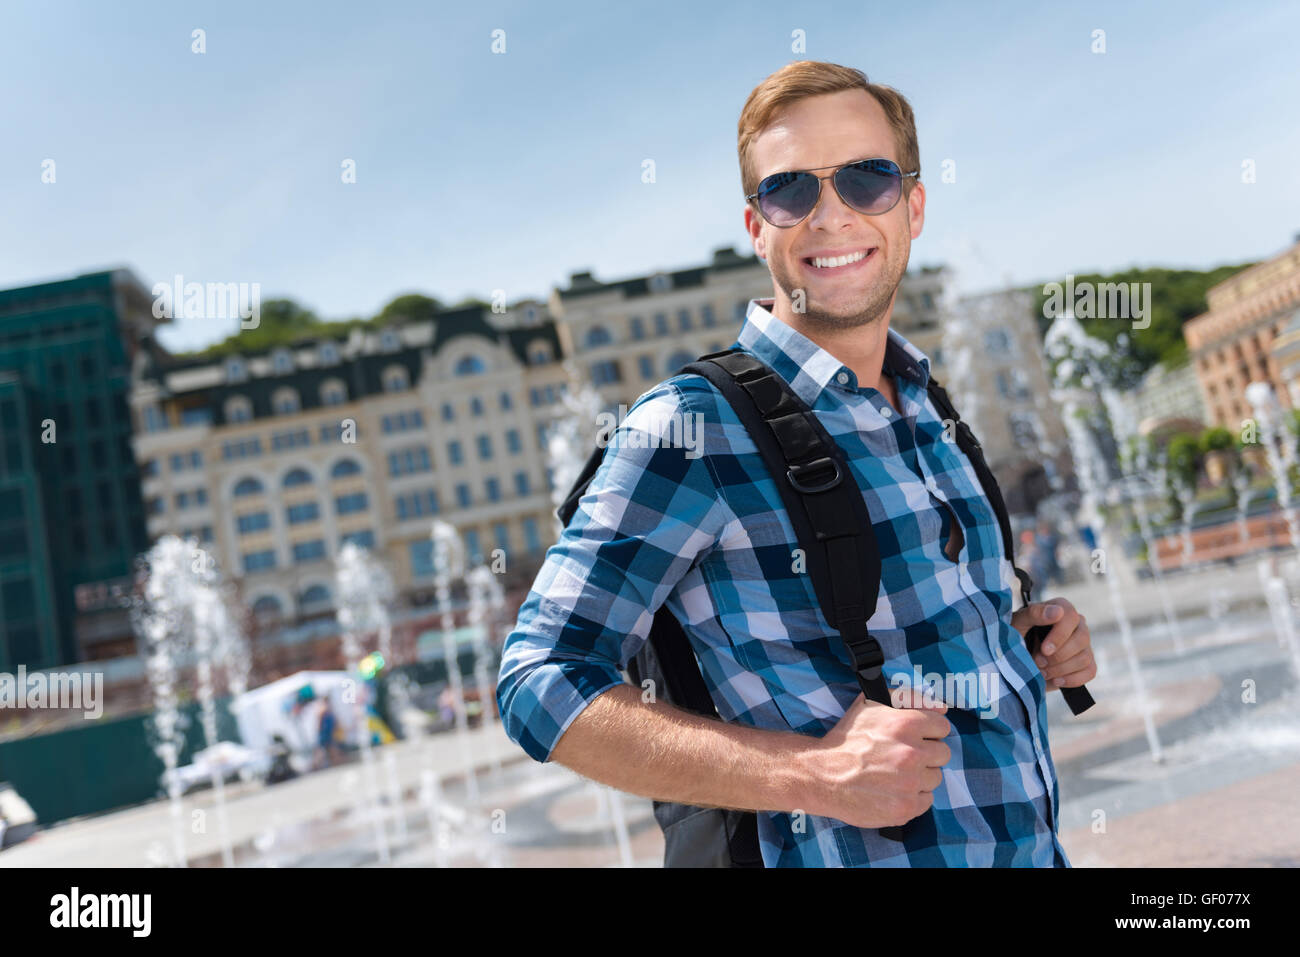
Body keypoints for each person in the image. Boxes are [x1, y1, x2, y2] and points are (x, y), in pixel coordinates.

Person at [496, 61, 1096, 867]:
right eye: (791, 191)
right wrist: (815, 773)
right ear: (757, 226)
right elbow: (537, 680)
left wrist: (1017, 646)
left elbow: (908, 647)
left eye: (867, 179)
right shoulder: (691, 426)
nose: (831, 215)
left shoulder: (928, 401)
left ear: (912, 206)